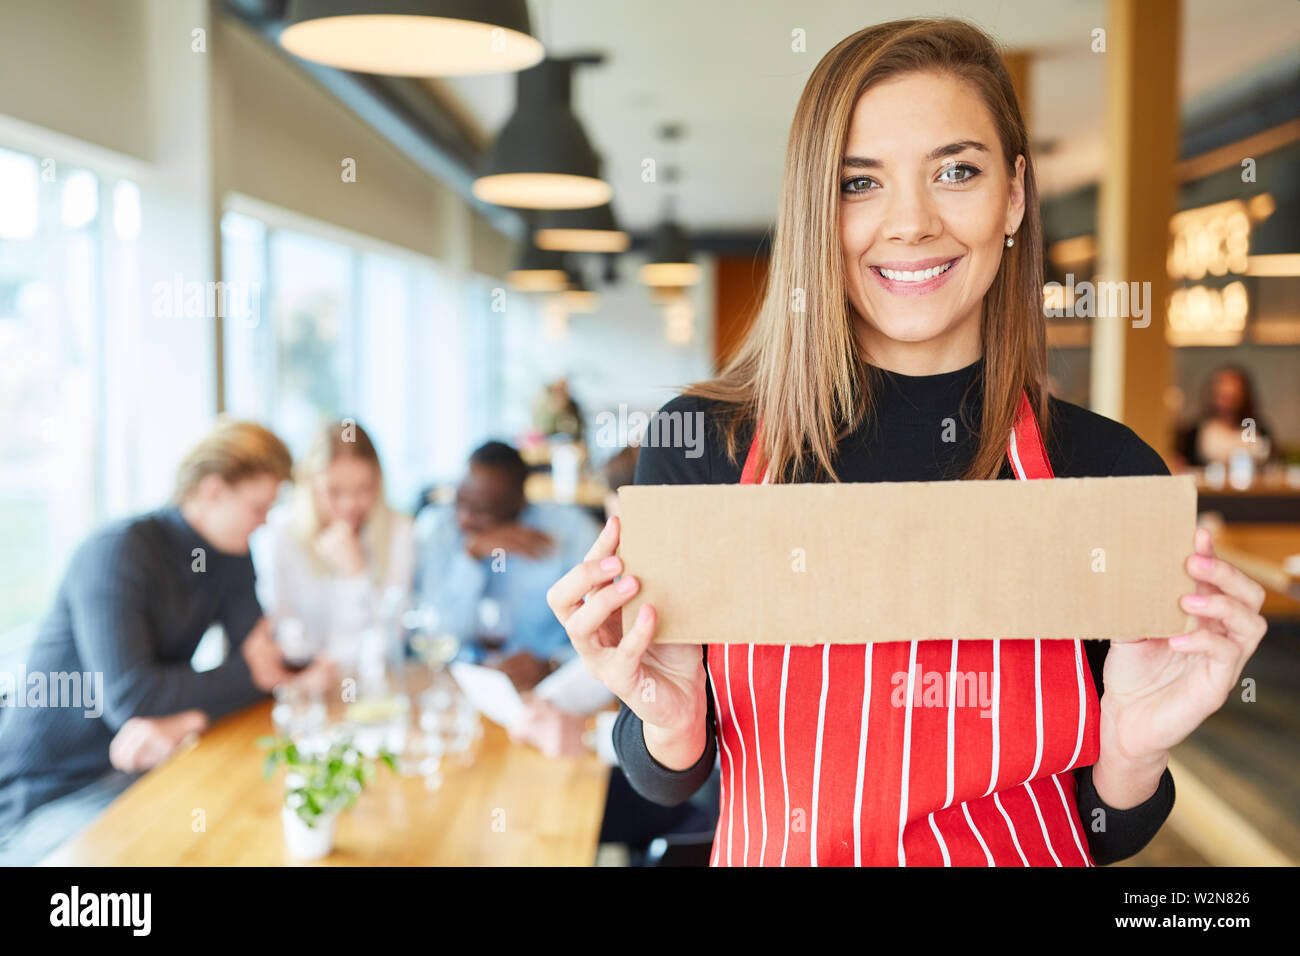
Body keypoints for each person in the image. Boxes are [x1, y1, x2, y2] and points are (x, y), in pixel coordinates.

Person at [546, 19, 1268, 867]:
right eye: (861, 183)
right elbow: (671, 786)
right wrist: (668, 726)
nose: (912, 222)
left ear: (1015, 195)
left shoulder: (1107, 476)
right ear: (816, 208)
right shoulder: (702, 449)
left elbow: (1103, 832)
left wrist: (1135, 754)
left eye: (956, 171)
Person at [0, 420, 331, 865]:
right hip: (48, 796)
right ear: (213, 491)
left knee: (247, 821)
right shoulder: (116, 552)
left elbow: (262, 667)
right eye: (258, 506)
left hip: (138, 769)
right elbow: (132, 698)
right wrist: (211, 703)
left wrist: (186, 717)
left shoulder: (229, 553)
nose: (266, 521)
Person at [414, 441, 600, 691]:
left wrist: (553, 664)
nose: (465, 518)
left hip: (550, 690)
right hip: (459, 685)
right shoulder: (440, 528)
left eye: (482, 510)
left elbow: (605, 633)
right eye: (461, 501)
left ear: (519, 502)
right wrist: (470, 555)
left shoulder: (570, 534)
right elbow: (437, 632)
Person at [252, 419, 415, 671]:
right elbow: (278, 636)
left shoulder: (399, 532)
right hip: (300, 686)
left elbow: (387, 644)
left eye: (363, 489)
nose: (349, 504)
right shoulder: (279, 533)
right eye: (334, 491)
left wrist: (355, 575)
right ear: (310, 485)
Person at [1174, 365, 1275, 470]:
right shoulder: (1196, 431)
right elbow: (1183, 464)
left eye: (1232, 398)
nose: (1226, 404)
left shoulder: (1256, 429)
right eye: (1222, 396)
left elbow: (1270, 464)